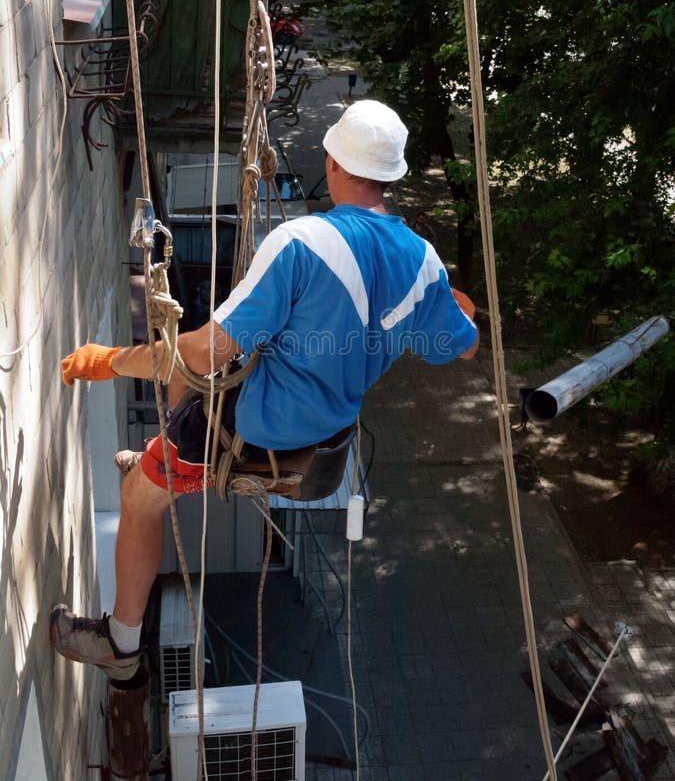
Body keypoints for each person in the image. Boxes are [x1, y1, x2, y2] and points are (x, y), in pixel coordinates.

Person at [50, 100, 478, 681]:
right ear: (392, 177)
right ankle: (165, 459)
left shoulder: (302, 242)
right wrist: (457, 308)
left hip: (259, 425)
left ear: (332, 162)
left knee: (141, 492)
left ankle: (119, 645)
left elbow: (202, 353)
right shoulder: (425, 264)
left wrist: (110, 361)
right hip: (329, 435)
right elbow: (462, 347)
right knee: (189, 391)